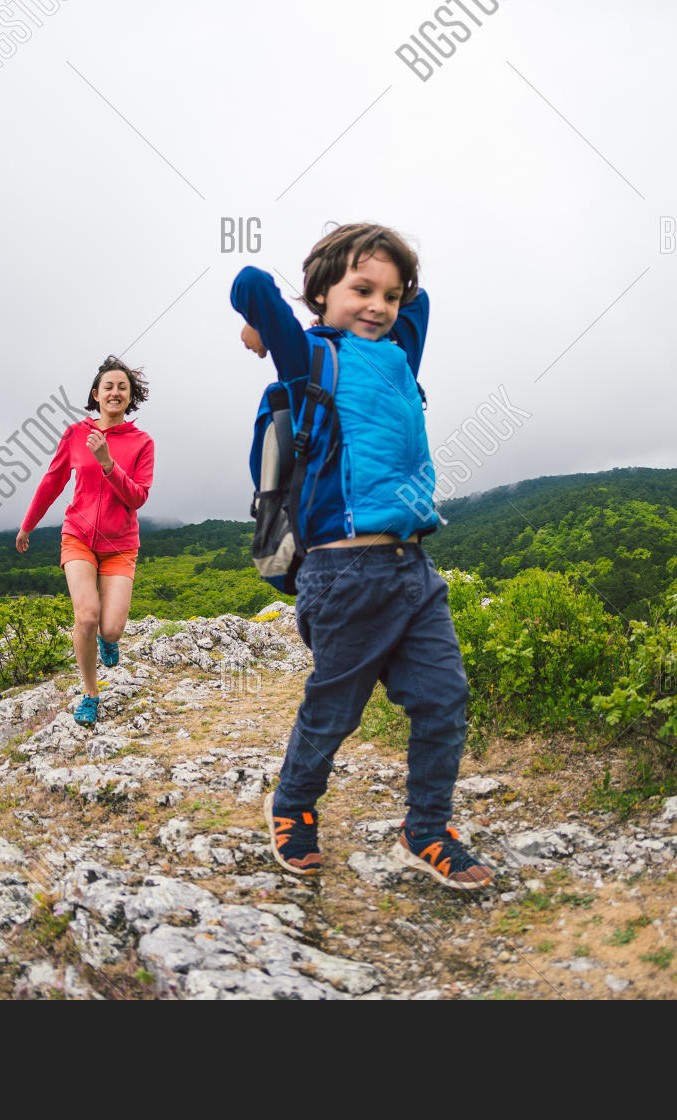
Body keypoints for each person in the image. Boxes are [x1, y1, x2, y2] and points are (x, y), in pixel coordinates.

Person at [231, 222, 494, 890]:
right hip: (342, 574)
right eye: (361, 289)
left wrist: (391, 279)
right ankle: (292, 807)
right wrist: (270, 324)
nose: (380, 305)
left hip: (414, 567)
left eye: (389, 294)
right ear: (322, 294)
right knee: (334, 712)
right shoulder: (309, 356)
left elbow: (422, 302)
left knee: (445, 699)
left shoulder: (400, 351)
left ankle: (427, 828)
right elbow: (250, 285)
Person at [16, 356, 154, 726]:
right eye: (108, 386)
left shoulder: (142, 442)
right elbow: (52, 481)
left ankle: (110, 640)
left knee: (110, 628)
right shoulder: (75, 433)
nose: (115, 392)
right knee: (87, 616)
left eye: (122, 387)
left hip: (120, 546)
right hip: (77, 537)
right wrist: (28, 525)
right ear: (96, 394)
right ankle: (90, 693)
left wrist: (109, 463)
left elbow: (138, 498)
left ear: (130, 396)